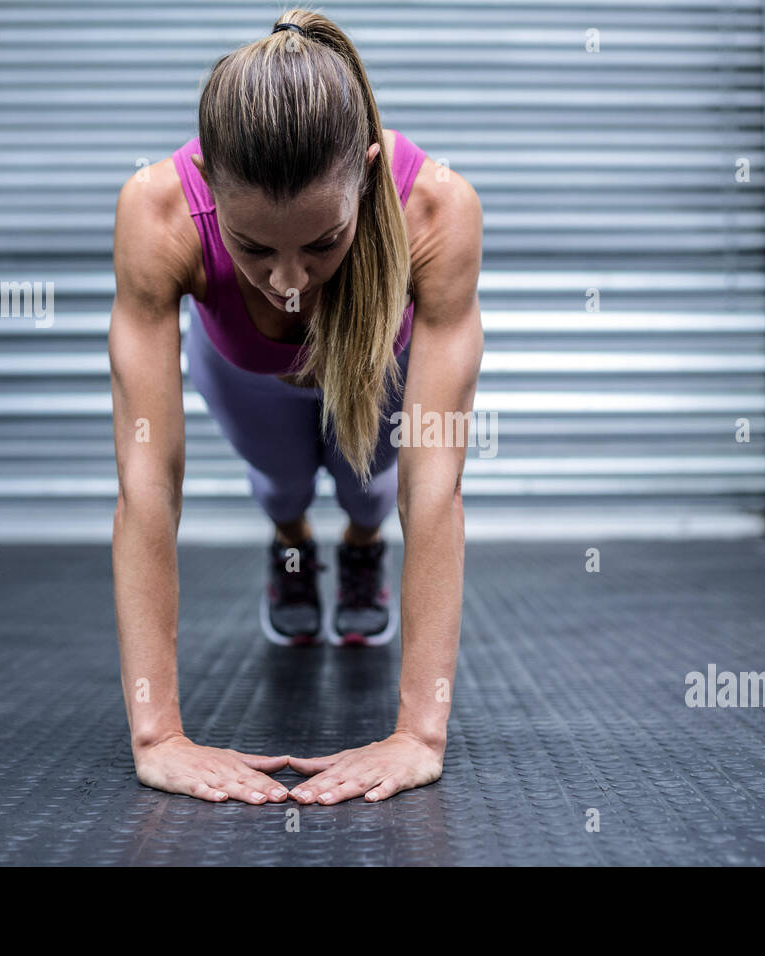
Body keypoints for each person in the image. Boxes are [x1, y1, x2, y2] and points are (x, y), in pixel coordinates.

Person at [107, 10, 483, 806]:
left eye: (321, 245)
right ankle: (291, 547)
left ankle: (355, 546)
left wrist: (419, 735)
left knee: (374, 488)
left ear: (370, 176)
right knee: (279, 482)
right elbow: (147, 478)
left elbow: (436, 482)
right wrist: (158, 736)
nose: (288, 282)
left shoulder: (437, 214)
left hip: (383, 367)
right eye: (251, 247)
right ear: (208, 183)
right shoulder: (157, 212)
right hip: (243, 371)